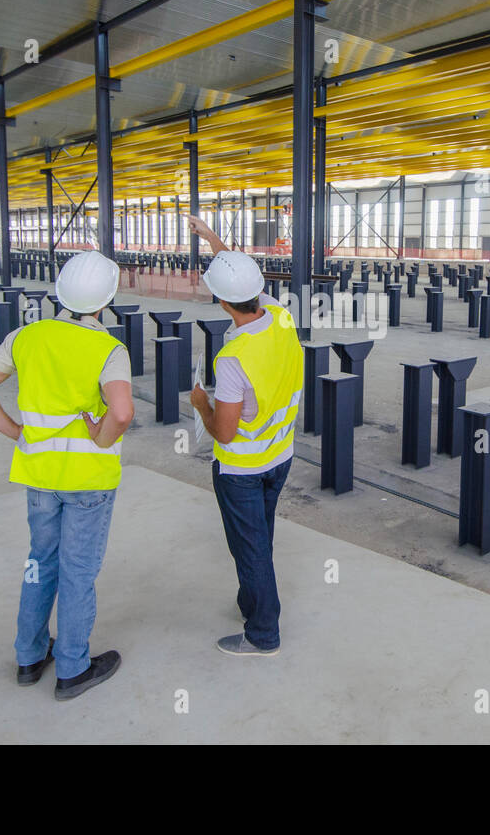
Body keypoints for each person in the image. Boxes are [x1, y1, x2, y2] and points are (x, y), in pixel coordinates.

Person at [0, 250, 134, 700]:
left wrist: (18, 432)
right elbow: (122, 412)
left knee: (40, 562)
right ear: (107, 300)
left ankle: (30, 656)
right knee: (78, 571)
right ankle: (73, 667)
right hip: (89, 482)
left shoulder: (25, 337)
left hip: (39, 477)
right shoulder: (109, 350)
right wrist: (101, 436)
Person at [186, 215, 302, 657]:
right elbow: (237, 279)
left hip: (243, 469)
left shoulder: (233, 360)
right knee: (260, 538)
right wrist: (212, 240)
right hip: (281, 456)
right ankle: (253, 600)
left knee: (250, 548)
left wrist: (201, 405)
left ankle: (262, 633)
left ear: (219, 301)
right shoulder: (280, 316)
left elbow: (226, 434)